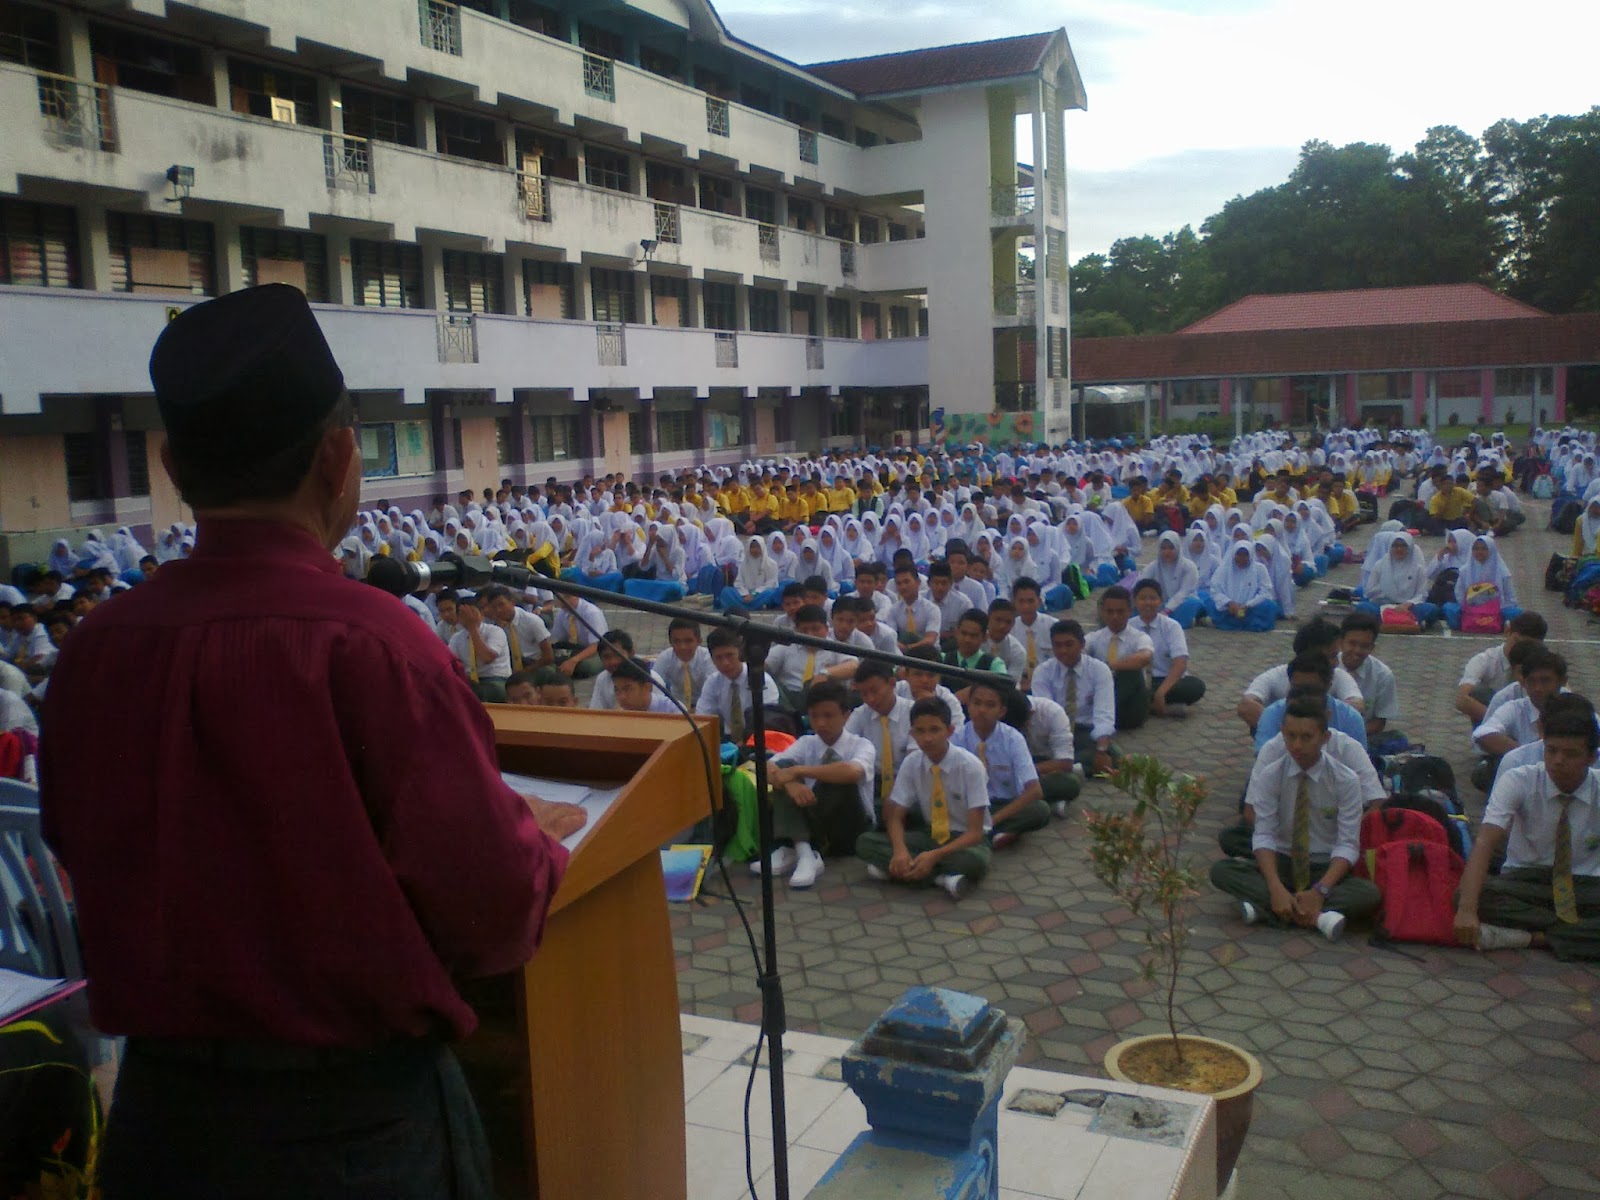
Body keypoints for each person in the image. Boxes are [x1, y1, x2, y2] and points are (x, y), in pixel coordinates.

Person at [39, 284, 576, 1198]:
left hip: (160, 1121)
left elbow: (77, 849)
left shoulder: (95, 652)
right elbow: (491, 909)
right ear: (338, 459)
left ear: (173, 464)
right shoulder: (370, 643)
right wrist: (544, 844)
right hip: (349, 1134)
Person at [1209, 696, 1380, 942]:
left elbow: (1348, 844)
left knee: (1368, 893)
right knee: (1221, 871)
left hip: (1323, 866)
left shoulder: (1346, 780)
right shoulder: (1271, 774)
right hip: (1283, 861)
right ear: (1282, 733)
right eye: (1291, 736)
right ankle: (1318, 917)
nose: (1297, 745)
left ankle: (1271, 909)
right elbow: (1264, 834)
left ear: (1325, 737)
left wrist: (1321, 890)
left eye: (1306, 737)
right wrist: (1275, 886)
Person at [1455, 702, 1600, 958]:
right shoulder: (1519, 779)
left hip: (1586, 885)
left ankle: (1535, 937)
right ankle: (1577, 936)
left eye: (1571, 754)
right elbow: (1486, 842)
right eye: (1551, 750)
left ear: (1592, 757)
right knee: (1467, 897)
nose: (1558, 761)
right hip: (1526, 881)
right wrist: (1466, 911)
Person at [855, 697, 991, 900]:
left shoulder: (970, 767)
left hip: (965, 841)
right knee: (864, 843)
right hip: (931, 833)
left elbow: (975, 833)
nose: (927, 738)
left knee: (976, 861)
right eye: (920, 731)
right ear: (912, 734)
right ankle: (942, 879)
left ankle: (904, 872)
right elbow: (895, 815)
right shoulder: (912, 763)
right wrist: (900, 851)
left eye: (935, 730)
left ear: (950, 731)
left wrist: (934, 856)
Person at [759, 681, 875, 889]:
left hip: (848, 827)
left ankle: (799, 849)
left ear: (846, 715)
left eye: (828, 716)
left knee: (834, 773)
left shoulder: (861, 745)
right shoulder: (807, 743)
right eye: (814, 716)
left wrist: (798, 771)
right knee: (783, 768)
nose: (821, 723)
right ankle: (803, 851)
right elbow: (768, 768)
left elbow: (852, 772)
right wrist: (792, 784)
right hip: (812, 819)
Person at [953, 678, 1048, 851]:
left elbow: (1034, 791)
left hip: (1002, 806)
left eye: (990, 705)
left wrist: (991, 821)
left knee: (1039, 810)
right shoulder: (957, 738)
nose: (982, 710)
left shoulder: (1013, 739)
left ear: (1001, 711)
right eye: (977, 703)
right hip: (970, 807)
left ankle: (983, 834)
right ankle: (997, 835)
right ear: (968, 705)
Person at [1030, 620, 1118, 777]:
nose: (1063, 650)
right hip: (1054, 733)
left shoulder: (1099, 670)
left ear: (1082, 644)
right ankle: (1069, 767)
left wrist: (1101, 750)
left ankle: (1059, 768)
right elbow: (1045, 715)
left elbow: (1104, 713)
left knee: (1111, 754)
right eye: (1057, 645)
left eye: (1069, 644)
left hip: (1085, 731)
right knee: (1112, 762)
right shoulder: (1043, 672)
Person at [1472, 647, 1568, 791]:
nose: (1538, 688)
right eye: (1532, 682)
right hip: (1523, 777)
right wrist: (1530, 754)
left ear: (1562, 681)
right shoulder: (1514, 707)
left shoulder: (1576, 707)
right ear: (1523, 682)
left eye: (1545, 681)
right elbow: (1483, 734)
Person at [1253, 653, 1368, 752]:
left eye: (1312, 689)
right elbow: (1263, 761)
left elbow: (1360, 769)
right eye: (1298, 688)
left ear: (1328, 686)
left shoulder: (1351, 718)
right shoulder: (1271, 714)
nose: (1304, 695)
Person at [846, 659, 914, 821]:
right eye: (863, 694)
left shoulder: (913, 712)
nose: (870, 699)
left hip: (907, 783)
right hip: (872, 782)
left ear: (892, 683)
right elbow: (844, 746)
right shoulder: (860, 714)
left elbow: (914, 762)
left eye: (874, 691)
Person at [1455, 611, 1549, 725]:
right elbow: (1461, 700)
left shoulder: (1546, 662)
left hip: (1533, 722)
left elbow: (1564, 693)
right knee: (1477, 692)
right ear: (1507, 631)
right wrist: (1504, 721)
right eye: (1517, 642)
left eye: (1529, 645)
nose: (1521, 649)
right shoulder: (1484, 660)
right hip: (1496, 723)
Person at [1131, 579, 1205, 718]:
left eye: (1153, 598)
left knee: (1196, 686)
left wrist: (1161, 692)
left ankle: (1147, 705)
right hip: (1138, 680)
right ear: (1135, 601)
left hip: (1166, 680)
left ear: (1161, 601)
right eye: (1142, 598)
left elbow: (1180, 663)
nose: (1148, 603)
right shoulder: (1129, 626)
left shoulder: (1172, 626)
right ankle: (1161, 708)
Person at [695, 627, 779, 747]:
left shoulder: (762, 679)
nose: (725, 663)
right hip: (727, 741)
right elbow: (703, 718)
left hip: (758, 739)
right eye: (718, 658)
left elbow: (767, 720)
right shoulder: (713, 682)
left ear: (740, 653)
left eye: (729, 655)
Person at [1084, 586, 1152, 731]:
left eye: (1120, 612)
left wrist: (1108, 667)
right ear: (1102, 611)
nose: (1115, 616)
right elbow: (1078, 655)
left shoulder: (1139, 637)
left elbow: (1145, 657)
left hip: (1129, 708)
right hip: (1101, 697)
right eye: (1110, 611)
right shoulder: (1094, 638)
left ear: (1129, 611)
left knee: (1131, 671)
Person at [1337, 611, 1401, 744]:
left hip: (1361, 738)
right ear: (1341, 642)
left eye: (1364, 646)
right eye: (1352, 643)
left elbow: (1379, 721)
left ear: (1372, 647)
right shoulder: (1324, 667)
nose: (1357, 650)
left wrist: (1350, 737)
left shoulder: (1383, 675)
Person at [450, 598, 513, 703]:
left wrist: (473, 628)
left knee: (479, 694)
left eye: (473, 613)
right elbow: (451, 662)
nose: (470, 618)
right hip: (469, 680)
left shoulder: (495, 631)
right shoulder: (456, 638)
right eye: (465, 615)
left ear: (482, 614)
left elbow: (487, 657)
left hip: (494, 678)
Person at [481, 584, 554, 674]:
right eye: (494, 607)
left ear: (512, 602)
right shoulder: (493, 625)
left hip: (535, 664)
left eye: (501, 605)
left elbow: (548, 657)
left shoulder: (532, 620)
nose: (498, 610)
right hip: (510, 664)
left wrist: (524, 672)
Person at [548, 589, 610, 679]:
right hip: (576, 649)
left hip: (596, 651)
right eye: (560, 598)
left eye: (568, 597)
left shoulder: (592, 613)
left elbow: (597, 645)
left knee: (586, 667)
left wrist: (573, 660)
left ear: (577, 595)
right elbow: (558, 639)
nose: (563, 602)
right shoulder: (561, 614)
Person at [658, 617, 713, 709]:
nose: (682, 647)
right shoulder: (665, 658)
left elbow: (713, 693)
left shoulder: (708, 659)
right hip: (676, 707)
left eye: (688, 641)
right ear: (670, 642)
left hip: (705, 706)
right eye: (677, 641)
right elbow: (654, 689)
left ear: (699, 641)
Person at [888, 564, 940, 649]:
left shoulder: (932, 609)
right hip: (902, 653)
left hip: (929, 654)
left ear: (918, 582)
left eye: (906, 582)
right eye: (899, 583)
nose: (903, 587)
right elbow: (891, 638)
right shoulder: (893, 610)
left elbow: (930, 639)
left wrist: (909, 648)